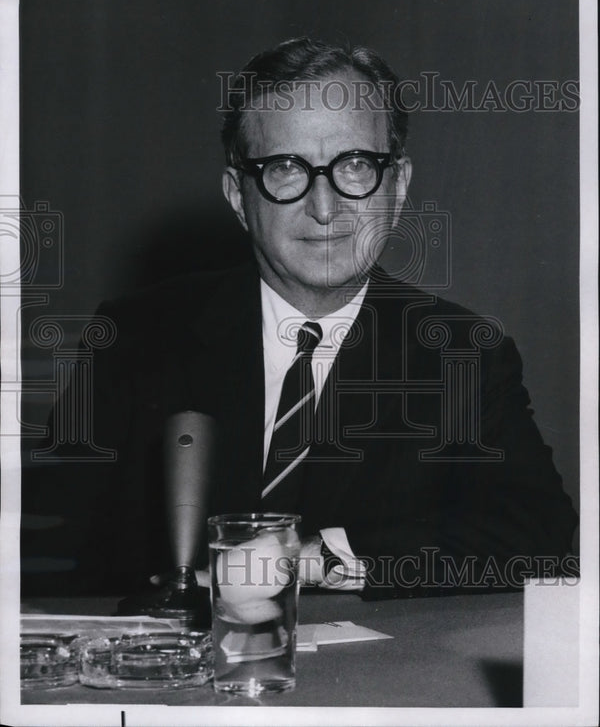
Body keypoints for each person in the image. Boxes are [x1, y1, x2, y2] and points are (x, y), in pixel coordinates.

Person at [21, 37, 578, 599]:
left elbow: (541, 542)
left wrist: (309, 560)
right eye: (287, 168)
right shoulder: (134, 336)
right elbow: (48, 550)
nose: (325, 206)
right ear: (239, 196)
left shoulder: (464, 354)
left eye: (356, 165)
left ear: (399, 185)